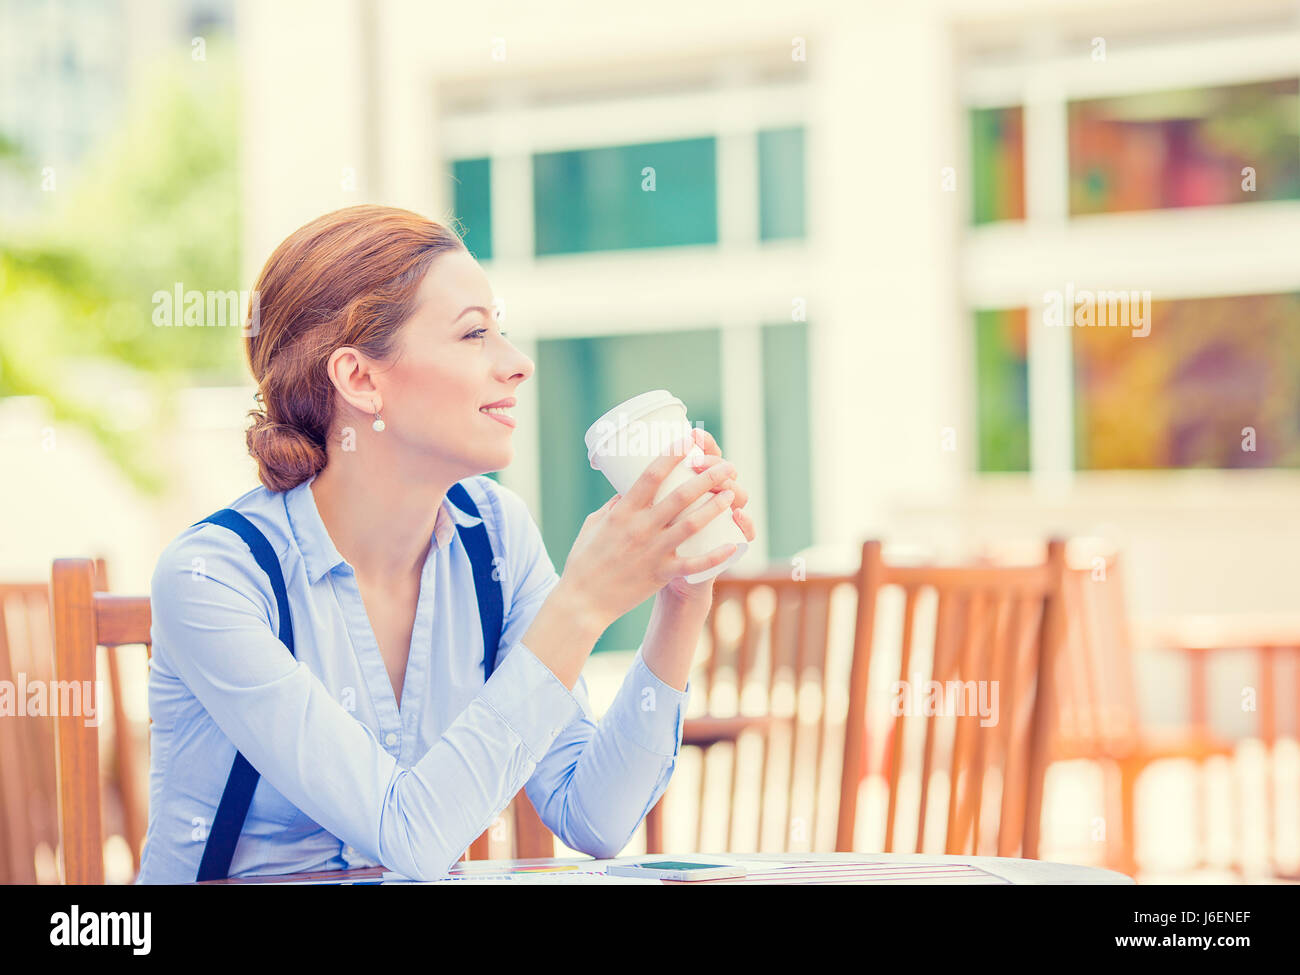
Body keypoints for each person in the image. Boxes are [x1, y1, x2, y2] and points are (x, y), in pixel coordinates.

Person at [136, 204, 756, 883]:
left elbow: (595, 815)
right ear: (360, 379)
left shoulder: (493, 536)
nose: (517, 364)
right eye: (473, 335)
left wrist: (685, 590)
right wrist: (580, 603)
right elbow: (410, 835)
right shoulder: (216, 578)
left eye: (503, 331)